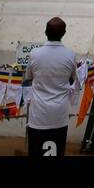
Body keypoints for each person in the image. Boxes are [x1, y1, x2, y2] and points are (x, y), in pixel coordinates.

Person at [23, 16, 77, 157]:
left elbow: (28, 77)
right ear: (64, 33)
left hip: (38, 116)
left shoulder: (34, 54)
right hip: (59, 116)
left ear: (45, 32)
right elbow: (73, 79)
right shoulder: (70, 55)